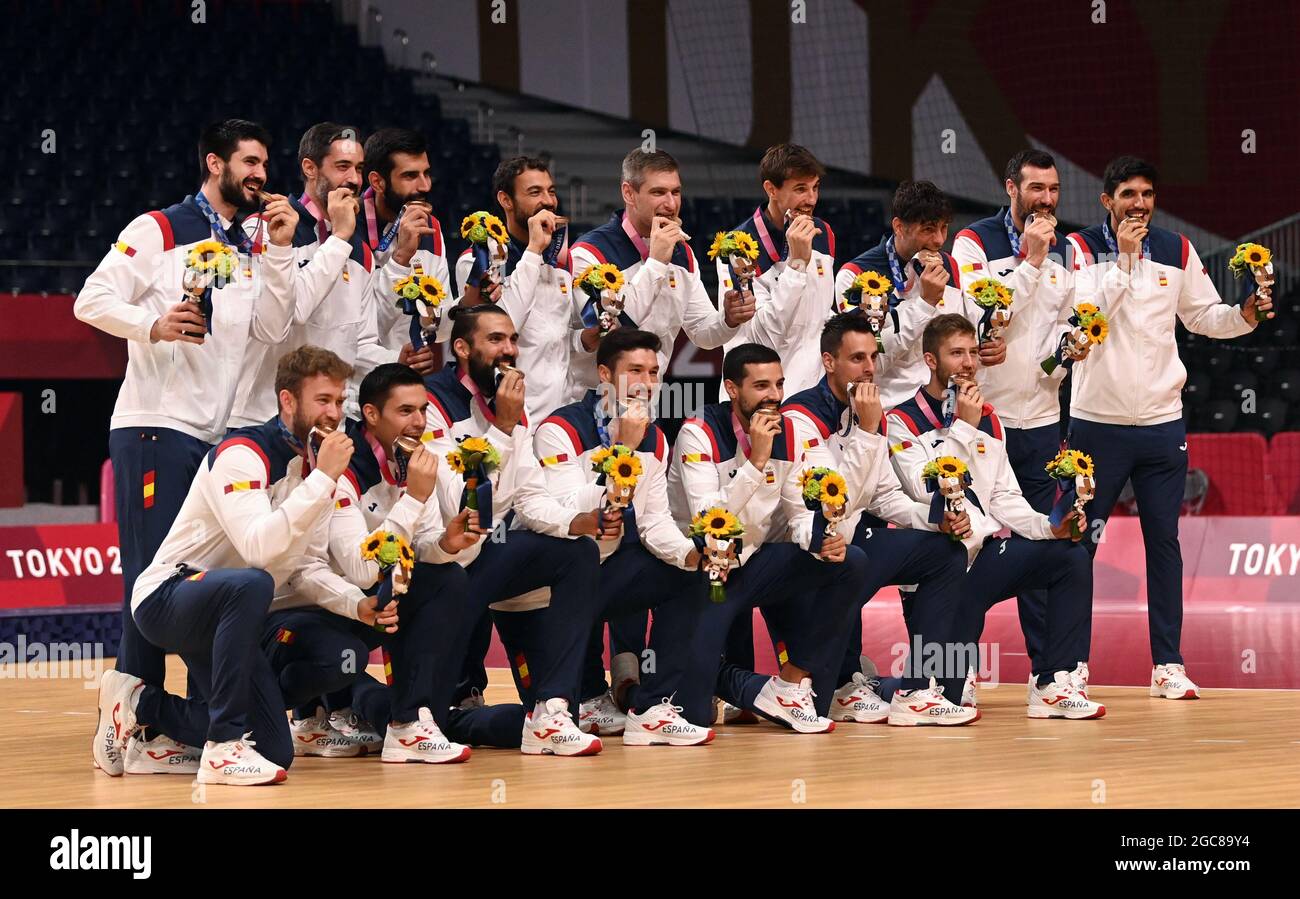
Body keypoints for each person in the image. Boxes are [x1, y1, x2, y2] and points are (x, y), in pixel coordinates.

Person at [78, 118, 298, 774]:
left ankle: (161, 722)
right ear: (214, 163)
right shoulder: (160, 228)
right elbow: (91, 298)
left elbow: (272, 328)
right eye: (249, 161)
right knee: (151, 579)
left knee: (189, 580)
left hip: (208, 438)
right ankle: (133, 720)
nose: (261, 174)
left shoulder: (251, 245)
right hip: (154, 427)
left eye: (265, 163)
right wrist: (153, 323)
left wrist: (280, 251)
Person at [94, 346, 367, 785]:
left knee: (274, 751)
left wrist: (357, 605)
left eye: (339, 400)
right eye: (322, 400)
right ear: (287, 400)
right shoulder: (243, 453)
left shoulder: (313, 470)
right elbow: (258, 548)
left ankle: (139, 704)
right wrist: (323, 479)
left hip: (231, 612)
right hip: (169, 596)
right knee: (253, 582)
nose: (334, 413)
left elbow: (304, 567)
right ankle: (221, 748)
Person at [1065, 155, 1272, 699]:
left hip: (1161, 425)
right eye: (1128, 194)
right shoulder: (1078, 249)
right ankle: (1071, 665)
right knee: (1079, 546)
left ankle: (1168, 665)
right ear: (1106, 201)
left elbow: (1202, 316)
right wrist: (1124, 261)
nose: (1139, 204)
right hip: (1096, 426)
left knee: (1165, 544)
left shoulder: (1177, 249)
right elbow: (1084, 320)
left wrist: (1244, 315)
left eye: (1147, 194)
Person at [887, 315, 1102, 720]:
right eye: (956, 353)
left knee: (1071, 557)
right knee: (945, 695)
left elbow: (1005, 497)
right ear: (931, 360)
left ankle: (1052, 682)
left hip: (983, 562)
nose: (968, 363)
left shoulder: (990, 419)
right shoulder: (901, 421)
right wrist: (964, 429)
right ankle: (889, 685)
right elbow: (926, 489)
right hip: (936, 568)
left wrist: (1048, 527)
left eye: (972, 352)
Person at [424, 305, 612, 756]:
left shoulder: (511, 405)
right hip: (440, 561)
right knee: (430, 714)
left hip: (490, 555)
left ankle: (552, 709)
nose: (509, 350)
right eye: (495, 340)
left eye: (512, 339)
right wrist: (504, 428)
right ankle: (445, 713)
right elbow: (462, 504)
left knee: (578, 552)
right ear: (462, 348)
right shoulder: (430, 405)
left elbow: (528, 498)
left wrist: (576, 522)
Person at [783, 314, 976, 725]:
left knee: (946, 553)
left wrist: (935, 521)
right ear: (829, 362)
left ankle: (917, 691)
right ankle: (834, 684)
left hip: (854, 540)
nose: (870, 368)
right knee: (852, 559)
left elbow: (885, 495)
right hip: (810, 549)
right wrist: (868, 433)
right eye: (857, 358)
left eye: (873, 357)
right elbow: (837, 503)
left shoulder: (870, 412)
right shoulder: (800, 417)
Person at [667, 343, 867, 733]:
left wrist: (818, 539)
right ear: (731, 389)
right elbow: (710, 523)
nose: (774, 395)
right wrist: (756, 461)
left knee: (851, 561)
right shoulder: (697, 432)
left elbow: (798, 511)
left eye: (778, 384)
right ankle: (721, 681)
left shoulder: (787, 431)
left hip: (754, 563)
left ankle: (792, 679)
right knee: (695, 716)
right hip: (704, 574)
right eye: (761, 386)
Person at [535, 328, 716, 746]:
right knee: (581, 557)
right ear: (604, 374)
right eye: (635, 371)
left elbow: (654, 521)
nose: (647, 383)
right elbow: (568, 509)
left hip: (610, 572)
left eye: (653, 372)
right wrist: (626, 451)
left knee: (689, 575)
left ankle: (651, 708)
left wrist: (691, 555)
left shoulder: (656, 437)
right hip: (558, 581)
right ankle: (582, 697)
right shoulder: (560, 428)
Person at [951, 149, 1081, 681]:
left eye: (1053, 189)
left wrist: (1066, 353)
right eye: (1036, 188)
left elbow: (1065, 321)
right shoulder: (973, 242)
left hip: (1043, 419)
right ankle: (954, 677)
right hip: (984, 418)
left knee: (1045, 545)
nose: (1046, 199)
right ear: (1011, 188)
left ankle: (1049, 676)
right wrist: (1030, 260)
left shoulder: (1068, 252)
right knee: (967, 546)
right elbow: (975, 315)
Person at [229, 122, 393, 427]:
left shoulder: (360, 251)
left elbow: (361, 343)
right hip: (262, 418)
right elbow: (293, 312)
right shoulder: (266, 228)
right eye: (342, 167)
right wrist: (339, 238)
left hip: (329, 422)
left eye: (359, 168)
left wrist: (398, 364)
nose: (354, 179)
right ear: (310, 168)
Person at [568, 148, 752, 392]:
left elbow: (702, 333)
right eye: (658, 192)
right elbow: (616, 333)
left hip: (648, 400)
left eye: (676, 192)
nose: (671, 204)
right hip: (590, 399)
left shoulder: (682, 254)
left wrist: (728, 319)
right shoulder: (589, 253)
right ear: (628, 193)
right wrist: (656, 262)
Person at [835, 180, 1005, 409]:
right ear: (899, 227)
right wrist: (925, 303)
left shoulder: (950, 266)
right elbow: (869, 362)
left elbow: (960, 340)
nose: (939, 240)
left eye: (943, 228)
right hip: (890, 411)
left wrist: (986, 350)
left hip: (947, 407)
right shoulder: (855, 276)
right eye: (928, 229)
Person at [453, 156, 586, 426]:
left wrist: (589, 339)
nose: (548, 201)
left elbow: (561, 338)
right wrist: (534, 251)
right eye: (535, 192)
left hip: (562, 417)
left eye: (551, 191)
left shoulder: (562, 261)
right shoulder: (479, 261)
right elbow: (503, 327)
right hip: (510, 417)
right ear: (506, 200)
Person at [716, 143, 836, 396]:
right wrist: (797, 264)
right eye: (800, 189)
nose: (811, 200)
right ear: (771, 189)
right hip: (759, 394)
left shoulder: (823, 233)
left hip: (813, 395)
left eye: (815, 187)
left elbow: (819, 313)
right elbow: (764, 338)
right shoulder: (736, 246)